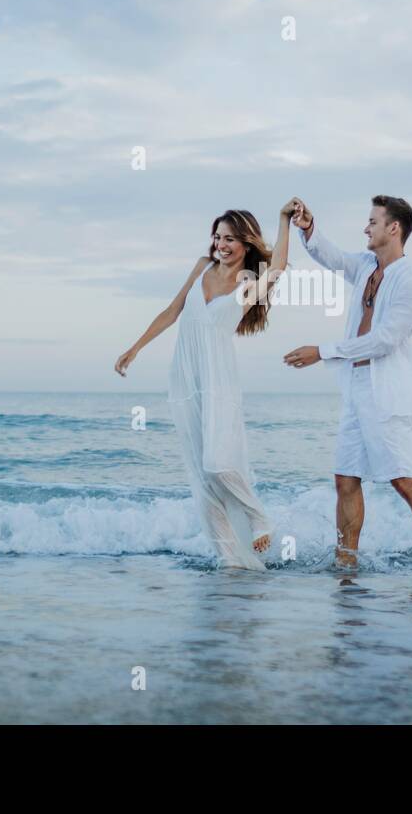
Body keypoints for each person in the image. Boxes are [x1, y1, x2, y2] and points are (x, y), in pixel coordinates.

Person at [283, 195, 412, 572]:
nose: (366, 228)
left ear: (393, 228)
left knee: (403, 480)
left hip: (387, 393)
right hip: (355, 387)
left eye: (373, 222)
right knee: (345, 479)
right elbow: (332, 257)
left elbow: (385, 340)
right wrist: (308, 227)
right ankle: (345, 562)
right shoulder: (366, 265)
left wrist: (322, 350)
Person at [116, 203, 294, 570]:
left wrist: (282, 219)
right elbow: (171, 311)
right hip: (186, 377)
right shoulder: (202, 268)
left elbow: (276, 267)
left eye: (229, 238)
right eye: (217, 236)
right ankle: (230, 559)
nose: (221, 244)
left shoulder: (247, 283)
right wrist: (135, 348)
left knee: (216, 463)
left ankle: (260, 517)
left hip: (219, 381)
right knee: (202, 479)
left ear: (246, 243)